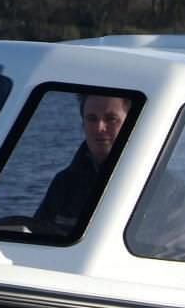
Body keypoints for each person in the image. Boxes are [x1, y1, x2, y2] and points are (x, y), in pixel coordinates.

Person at [32, 93, 130, 235]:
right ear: (83, 124)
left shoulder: (155, 183)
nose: (99, 128)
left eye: (111, 119)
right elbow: (36, 233)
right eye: (92, 119)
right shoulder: (64, 184)